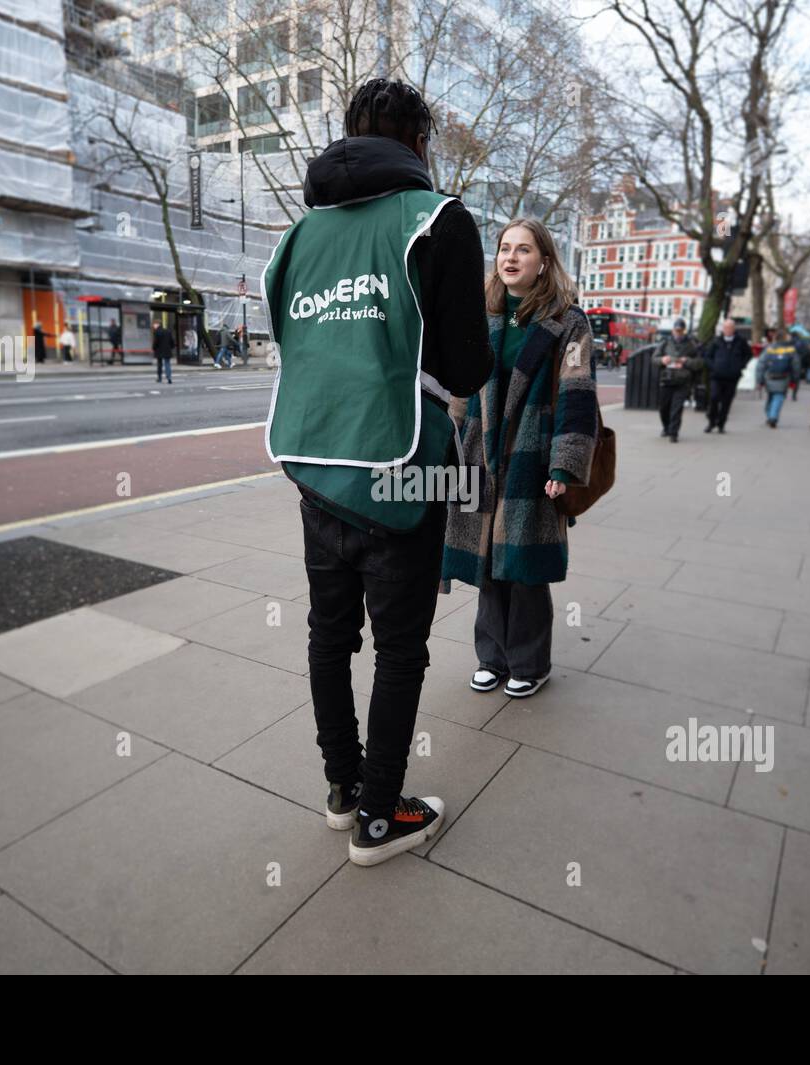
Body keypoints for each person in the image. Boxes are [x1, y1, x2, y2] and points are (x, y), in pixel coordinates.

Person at [263, 77, 492, 866]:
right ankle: (379, 817)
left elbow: (295, 343)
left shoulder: (298, 237)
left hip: (314, 465)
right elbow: (466, 369)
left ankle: (340, 790)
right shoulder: (438, 219)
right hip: (399, 467)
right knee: (400, 648)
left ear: (350, 137)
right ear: (419, 143)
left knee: (330, 635)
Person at [443, 217, 596, 704]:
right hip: (480, 452)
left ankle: (530, 663)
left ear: (544, 261)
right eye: (505, 248)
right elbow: (461, 389)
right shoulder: (481, 312)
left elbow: (577, 392)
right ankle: (492, 657)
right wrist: (449, 447)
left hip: (532, 450)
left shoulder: (567, 319)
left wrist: (564, 466)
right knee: (488, 559)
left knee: (524, 564)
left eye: (523, 250)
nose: (510, 257)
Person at [652, 317, 703, 442]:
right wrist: (662, 360)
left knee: (677, 408)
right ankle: (666, 427)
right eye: (676, 330)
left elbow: (699, 362)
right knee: (664, 408)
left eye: (680, 331)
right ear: (673, 330)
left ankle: (673, 433)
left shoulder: (692, 344)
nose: (678, 333)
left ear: (684, 331)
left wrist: (687, 362)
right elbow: (654, 358)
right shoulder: (665, 342)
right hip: (667, 380)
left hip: (683, 381)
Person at [703, 317, 752, 433]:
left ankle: (721, 424)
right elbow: (707, 356)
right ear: (722, 329)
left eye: (730, 327)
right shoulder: (716, 341)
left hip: (732, 377)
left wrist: (740, 365)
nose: (728, 329)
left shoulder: (741, 341)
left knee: (726, 401)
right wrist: (713, 366)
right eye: (725, 327)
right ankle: (711, 421)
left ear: (734, 329)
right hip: (717, 376)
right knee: (714, 398)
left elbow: (748, 355)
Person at [756, 335, 800, 427]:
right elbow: (796, 366)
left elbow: (761, 365)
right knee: (778, 397)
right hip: (783, 378)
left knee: (770, 397)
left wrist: (759, 379)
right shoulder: (791, 350)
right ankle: (773, 417)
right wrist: (795, 379)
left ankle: (770, 415)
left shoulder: (769, 349)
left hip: (769, 377)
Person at [152, 318, 174, 383]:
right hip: (167, 350)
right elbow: (172, 341)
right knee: (167, 364)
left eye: (154, 324)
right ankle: (169, 377)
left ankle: (159, 378)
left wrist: (153, 348)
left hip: (159, 350)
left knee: (159, 364)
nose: (153, 326)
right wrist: (171, 347)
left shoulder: (157, 332)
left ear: (157, 324)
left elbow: (156, 342)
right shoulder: (167, 331)